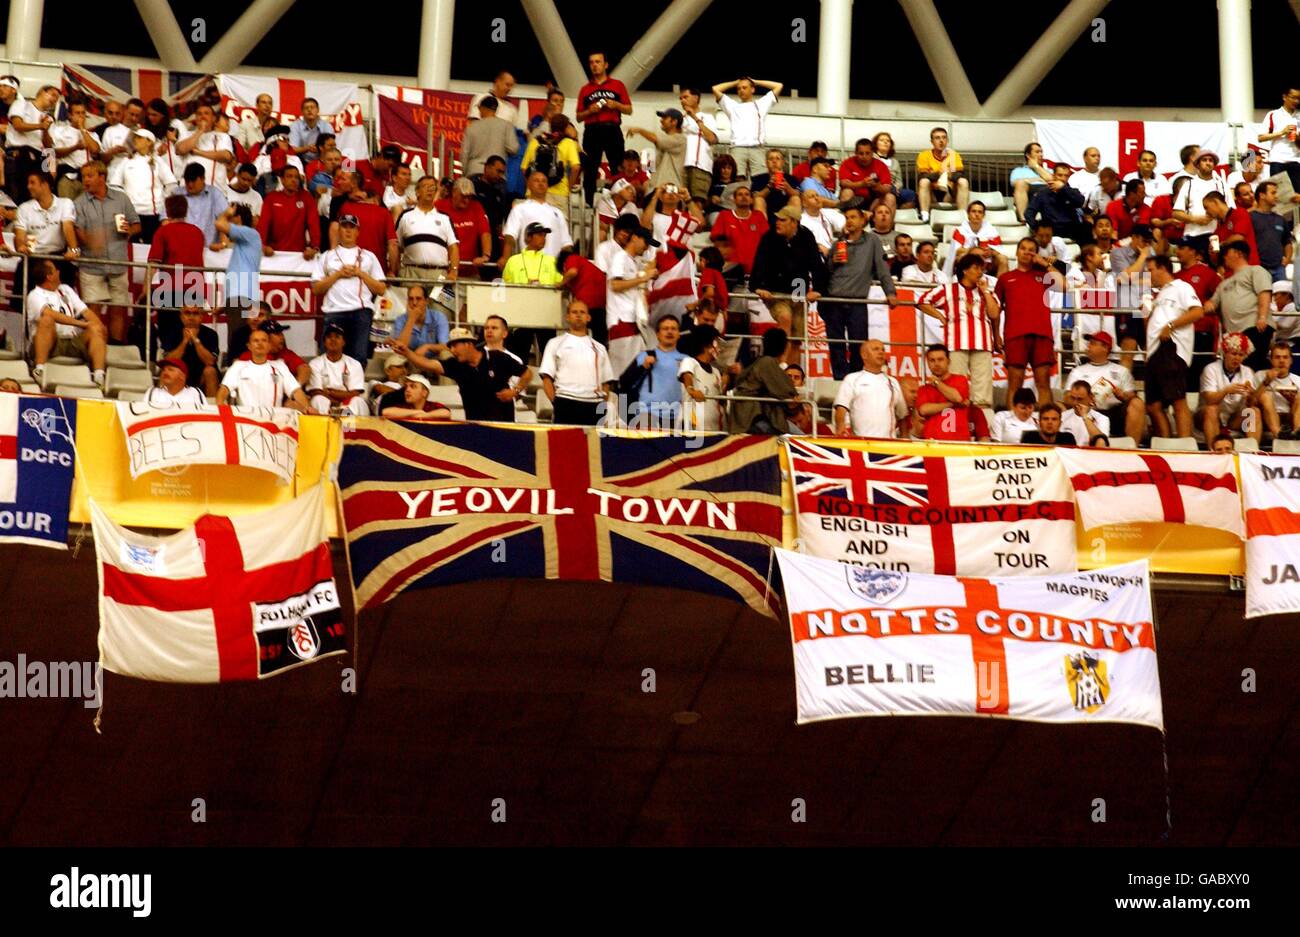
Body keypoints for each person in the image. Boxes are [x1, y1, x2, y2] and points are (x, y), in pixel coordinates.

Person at [919, 253, 1000, 410]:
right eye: (976, 268)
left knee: (982, 390)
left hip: (982, 343)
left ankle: (982, 421)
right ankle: (959, 418)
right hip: (956, 343)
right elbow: (923, 301)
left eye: (981, 269)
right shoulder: (948, 289)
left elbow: (995, 314)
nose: (980, 272)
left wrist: (986, 293)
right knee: (957, 386)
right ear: (964, 270)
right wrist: (941, 317)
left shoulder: (986, 292)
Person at [825, 198, 895, 378]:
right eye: (847, 217)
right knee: (836, 344)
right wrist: (833, 260)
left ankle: (855, 378)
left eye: (853, 217)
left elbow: (881, 269)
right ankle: (839, 380)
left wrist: (890, 292)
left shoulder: (872, 241)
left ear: (863, 220)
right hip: (834, 301)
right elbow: (826, 272)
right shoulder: (838, 242)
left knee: (859, 344)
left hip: (857, 301)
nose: (849, 221)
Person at [73, 160, 140, 344]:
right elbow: (77, 230)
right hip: (91, 266)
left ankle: (115, 350)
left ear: (102, 177)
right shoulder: (79, 203)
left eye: (89, 176)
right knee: (92, 311)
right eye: (83, 176)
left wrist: (129, 231)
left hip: (118, 264)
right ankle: (94, 349)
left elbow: (136, 224)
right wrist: (89, 240)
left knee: (117, 310)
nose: (85, 180)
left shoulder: (121, 198)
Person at [749, 203, 829, 346]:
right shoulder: (769, 237)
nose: (777, 223)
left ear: (794, 222)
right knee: (785, 318)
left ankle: (792, 368)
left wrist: (818, 289)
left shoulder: (807, 236)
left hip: (799, 286)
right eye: (777, 219)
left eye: (782, 220)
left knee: (798, 335)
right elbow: (759, 262)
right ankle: (782, 365)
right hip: (774, 288)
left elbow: (816, 264)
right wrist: (757, 286)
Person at [311, 213, 387, 363]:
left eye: (352, 227)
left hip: (360, 311)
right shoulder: (327, 256)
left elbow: (381, 289)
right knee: (329, 355)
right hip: (334, 311)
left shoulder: (368, 256)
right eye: (344, 227)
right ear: (338, 230)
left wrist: (360, 274)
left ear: (358, 232)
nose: (348, 231)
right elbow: (316, 289)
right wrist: (338, 274)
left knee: (358, 357)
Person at [1145, 254, 1203, 439]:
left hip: (1171, 348)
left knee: (1178, 399)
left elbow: (1198, 311)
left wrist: (1170, 326)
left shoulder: (1182, 287)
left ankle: (1185, 444)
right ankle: (1166, 444)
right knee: (1153, 405)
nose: (1149, 274)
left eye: (1151, 270)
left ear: (1163, 268)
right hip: (1153, 351)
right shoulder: (1159, 294)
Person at [26, 259, 107, 385]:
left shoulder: (65, 289)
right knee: (47, 320)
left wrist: (98, 326)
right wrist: (82, 324)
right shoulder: (34, 295)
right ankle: (40, 370)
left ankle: (99, 377)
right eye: (55, 270)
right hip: (50, 343)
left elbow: (85, 311)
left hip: (72, 341)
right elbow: (50, 314)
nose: (59, 271)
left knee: (95, 329)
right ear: (49, 276)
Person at [996, 237, 1056, 405]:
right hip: (1015, 335)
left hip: (1042, 334)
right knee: (1014, 383)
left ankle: (1046, 424)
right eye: (1023, 248)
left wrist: (1045, 263)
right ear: (1016, 251)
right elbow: (995, 310)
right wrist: (996, 335)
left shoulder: (1043, 275)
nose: (1026, 252)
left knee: (1043, 382)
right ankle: (1010, 425)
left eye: (1031, 249)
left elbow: (1065, 285)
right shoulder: (1005, 278)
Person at [540, 300, 615, 425]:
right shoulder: (555, 343)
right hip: (566, 401)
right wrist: (557, 403)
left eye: (582, 312)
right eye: (574, 312)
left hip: (594, 404)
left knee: (592, 444)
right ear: (568, 317)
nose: (578, 315)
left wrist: (602, 403)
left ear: (588, 317)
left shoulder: (600, 348)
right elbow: (547, 378)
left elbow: (606, 382)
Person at [1203, 241, 1274, 371]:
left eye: (1227, 253)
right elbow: (1213, 303)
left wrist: (1262, 316)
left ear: (1238, 253)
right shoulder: (1223, 284)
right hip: (1234, 334)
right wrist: (1207, 304)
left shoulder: (1256, 270)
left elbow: (1264, 292)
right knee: (1240, 369)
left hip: (1254, 327)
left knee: (1253, 365)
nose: (1224, 257)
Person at [1065, 331, 1146, 441]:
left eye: (1093, 343)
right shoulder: (1077, 371)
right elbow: (1066, 397)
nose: (1088, 346)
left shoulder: (1121, 371)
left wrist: (1122, 396)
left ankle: (1132, 448)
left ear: (1105, 347)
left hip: (1114, 413)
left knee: (1137, 403)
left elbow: (1131, 395)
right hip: (1085, 411)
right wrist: (1082, 398)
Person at [577, 51, 632, 205]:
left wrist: (616, 105)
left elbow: (629, 109)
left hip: (612, 128)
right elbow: (578, 117)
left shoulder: (617, 85)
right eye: (591, 62)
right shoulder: (585, 89)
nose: (594, 65)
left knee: (617, 166)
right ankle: (589, 204)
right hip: (592, 130)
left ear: (605, 64)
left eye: (598, 62)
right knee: (590, 168)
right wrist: (589, 111)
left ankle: (620, 203)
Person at [605, 224, 659, 375]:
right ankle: (621, 400)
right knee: (622, 374)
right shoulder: (620, 257)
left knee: (636, 373)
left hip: (634, 322)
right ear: (634, 238)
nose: (647, 248)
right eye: (646, 242)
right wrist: (643, 278)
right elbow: (615, 285)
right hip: (621, 321)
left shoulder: (633, 262)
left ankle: (628, 400)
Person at [105, 129, 174, 242]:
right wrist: (125, 204)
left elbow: (171, 184)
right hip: (131, 215)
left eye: (139, 138)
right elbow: (114, 185)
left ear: (149, 142)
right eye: (135, 137)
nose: (135, 140)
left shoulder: (157, 161)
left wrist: (162, 205)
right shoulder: (126, 161)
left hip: (153, 215)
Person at [217, 327, 310, 411]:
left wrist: (308, 408)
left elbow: (296, 391)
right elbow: (224, 390)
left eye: (264, 340)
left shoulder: (280, 366)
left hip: (273, 419)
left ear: (269, 346)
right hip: (246, 419)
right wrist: (222, 410)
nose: (260, 343)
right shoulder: (238, 366)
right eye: (256, 341)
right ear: (249, 346)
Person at [1197, 332, 1264, 444]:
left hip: (1234, 420)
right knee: (1211, 409)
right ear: (1225, 353)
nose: (1237, 358)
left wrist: (1251, 395)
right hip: (1206, 416)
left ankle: (1252, 451)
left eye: (1241, 355)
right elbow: (1209, 400)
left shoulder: (1247, 372)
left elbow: (1252, 403)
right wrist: (1226, 391)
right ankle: (1214, 451)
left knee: (1253, 412)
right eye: (1233, 354)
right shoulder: (1211, 369)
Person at [727, 328, 798, 434]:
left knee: (799, 435)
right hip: (752, 419)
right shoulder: (767, 363)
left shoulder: (760, 362)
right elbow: (786, 391)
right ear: (784, 347)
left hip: (751, 416)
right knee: (800, 438)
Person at [711, 76, 783, 180]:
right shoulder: (732, 106)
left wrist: (756, 82)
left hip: (757, 147)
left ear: (752, 89)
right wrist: (735, 82)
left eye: (744, 87)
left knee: (760, 179)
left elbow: (778, 86)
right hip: (738, 147)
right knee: (737, 179)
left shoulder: (761, 104)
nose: (741, 90)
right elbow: (715, 89)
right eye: (739, 88)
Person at [833, 338, 907, 438]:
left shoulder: (893, 382)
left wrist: (904, 438)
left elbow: (902, 415)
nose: (880, 352)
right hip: (862, 443)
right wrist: (841, 428)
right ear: (864, 355)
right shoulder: (852, 379)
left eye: (883, 350)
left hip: (889, 444)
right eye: (876, 349)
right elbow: (841, 408)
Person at [916, 343, 989, 441]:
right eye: (932, 360)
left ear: (948, 361)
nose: (936, 364)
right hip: (932, 442)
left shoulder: (960, 380)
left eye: (940, 359)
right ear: (927, 363)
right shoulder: (923, 389)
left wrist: (937, 382)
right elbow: (924, 410)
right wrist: (952, 404)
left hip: (959, 442)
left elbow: (957, 398)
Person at [624, 316, 687, 429]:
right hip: (647, 414)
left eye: (673, 329)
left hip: (677, 416)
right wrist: (643, 366)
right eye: (665, 328)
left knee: (673, 447)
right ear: (657, 334)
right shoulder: (644, 356)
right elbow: (625, 382)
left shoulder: (686, 360)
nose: (669, 331)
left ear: (678, 334)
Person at [502, 169, 573, 262]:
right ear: (528, 185)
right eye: (536, 180)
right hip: (529, 265)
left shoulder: (558, 213)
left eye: (544, 181)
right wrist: (505, 257)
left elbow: (566, 244)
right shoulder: (519, 209)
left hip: (554, 269)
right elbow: (510, 236)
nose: (540, 183)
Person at [44, 95, 100, 201]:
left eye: (83, 113)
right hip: (67, 178)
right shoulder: (59, 131)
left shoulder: (91, 134)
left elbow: (95, 150)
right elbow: (53, 153)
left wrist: (82, 129)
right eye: (77, 113)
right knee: (67, 210)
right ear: (70, 115)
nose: (81, 116)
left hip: (86, 178)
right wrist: (75, 148)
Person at [156, 305, 220, 397]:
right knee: (167, 370)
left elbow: (210, 361)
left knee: (210, 371)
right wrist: (185, 341)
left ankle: (213, 409)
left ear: (201, 317)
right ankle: (161, 404)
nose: (191, 317)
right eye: (187, 313)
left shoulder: (211, 334)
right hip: (179, 376)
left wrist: (195, 340)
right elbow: (169, 360)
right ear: (181, 316)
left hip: (202, 378)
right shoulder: (172, 333)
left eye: (195, 313)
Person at [305, 323, 369, 415]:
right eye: (329, 337)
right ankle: (325, 428)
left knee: (357, 401)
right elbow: (316, 392)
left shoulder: (354, 364)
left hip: (348, 404)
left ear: (343, 342)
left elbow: (354, 393)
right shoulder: (315, 363)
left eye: (337, 336)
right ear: (324, 342)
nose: (333, 339)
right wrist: (337, 402)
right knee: (318, 400)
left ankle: (348, 429)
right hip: (326, 403)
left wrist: (330, 392)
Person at [213, 204, 263, 323]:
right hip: (243, 299)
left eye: (230, 219)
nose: (228, 222)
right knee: (241, 337)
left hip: (241, 299)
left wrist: (225, 214)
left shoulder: (250, 233)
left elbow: (219, 224)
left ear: (238, 218)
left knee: (236, 339)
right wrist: (225, 306)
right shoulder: (246, 242)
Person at [256, 164, 318, 258]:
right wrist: (262, 245)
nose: (294, 180)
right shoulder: (271, 198)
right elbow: (263, 224)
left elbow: (313, 224)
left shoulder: (307, 198)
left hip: (299, 255)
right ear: (282, 179)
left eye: (296, 177)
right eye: (289, 176)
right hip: (273, 253)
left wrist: (315, 247)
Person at [435, 177, 491, 276]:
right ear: (454, 192)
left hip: (470, 270)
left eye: (469, 197)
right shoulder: (439, 206)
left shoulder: (476, 207)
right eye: (463, 196)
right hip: (444, 270)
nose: (467, 200)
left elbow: (485, 233)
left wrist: (485, 255)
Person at [709, 183, 767, 274]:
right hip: (732, 269)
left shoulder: (758, 216)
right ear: (734, 200)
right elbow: (717, 241)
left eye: (747, 194)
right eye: (740, 194)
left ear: (752, 200)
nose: (744, 197)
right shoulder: (724, 215)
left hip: (756, 269)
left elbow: (767, 240)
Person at [915, 127, 968, 222]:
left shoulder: (953, 155)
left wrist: (949, 174)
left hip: (949, 192)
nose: (941, 141)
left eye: (944, 138)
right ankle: (925, 216)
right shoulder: (924, 155)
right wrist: (941, 172)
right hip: (932, 192)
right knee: (923, 182)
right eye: (937, 138)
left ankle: (962, 217)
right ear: (932, 141)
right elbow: (923, 175)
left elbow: (960, 174)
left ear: (947, 140)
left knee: (963, 182)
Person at [1172, 150, 1227, 239]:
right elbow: (1176, 213)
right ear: (1197, 164)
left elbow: (1230, 211)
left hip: (1216, 235)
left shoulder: (1222, 185)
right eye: (1204, 160)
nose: (1208, 163)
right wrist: (1195, 219)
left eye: (1210, 160)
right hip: (1193, 235)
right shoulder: (1189, 184)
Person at [677, 325, 724, 431]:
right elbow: (686, 375)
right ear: (706, 346)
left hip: (714, 428)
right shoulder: (689, 362)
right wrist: (692, 390)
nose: (720, 348)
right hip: (693, 429)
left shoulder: (716, 372)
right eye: (717, 343)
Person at [461, 96, 520, 178]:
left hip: (475, 171)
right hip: (497, 174)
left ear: (483, 108)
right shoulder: (506, 126)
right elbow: (513, 149)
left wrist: (464, 173)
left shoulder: (471, 127)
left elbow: (464, 154)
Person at [1026, 163, 1086, 242]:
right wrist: (1037, 228)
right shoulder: (1042, 193)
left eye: (1066, 176)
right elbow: (1029, 213)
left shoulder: (1073, 192)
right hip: (1051, 231)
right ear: (1054, 176)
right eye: (1060, 175)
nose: (1063, 179)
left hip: (1070, 230)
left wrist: (1063, 188)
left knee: (1086, 227)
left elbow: (1080, 202)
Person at [678, 88, 719, 201]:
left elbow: (712, 139)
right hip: (680, 167)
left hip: (700, 166)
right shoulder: (680, 120)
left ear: (696, 98)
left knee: (697, 202)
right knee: (680, 202)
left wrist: (694, 117)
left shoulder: (707, 117)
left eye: (685, 97)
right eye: (680, 98)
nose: (682, 101)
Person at [947, 200, 1005, 277]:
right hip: (967, 260)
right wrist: (974, 251)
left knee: (1003, 259)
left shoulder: (991, 230)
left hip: (988, 262)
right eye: (973, 211)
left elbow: (998, 250)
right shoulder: (960, 230)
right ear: (968, 214)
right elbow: (956, 250)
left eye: (980, 212)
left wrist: (991, 252)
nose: (977, 214)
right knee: (960, 257)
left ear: (983, 215)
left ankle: (1000, 287)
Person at [1254, 341, 1300, 438]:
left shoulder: (1297, 380)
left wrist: (1292, 401)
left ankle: (1297, 433)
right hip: (1265, 417)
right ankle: (1279, 434)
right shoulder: (1260, 375)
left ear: (1291, 360)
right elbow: (1251, 402)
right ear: (1271, 360)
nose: (1282, 361)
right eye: (1277, 357)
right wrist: (1266, 382)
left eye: (1285, 357)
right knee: (1265, 396)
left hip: (1290, 417)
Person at [1250, 181, 1294, 282]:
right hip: (1259, 269)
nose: (1276, 196)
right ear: (1262, 195)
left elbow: (1287, 242)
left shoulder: (1281, 219)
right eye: (1273, 193)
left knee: (1283, 297)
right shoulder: (1250, 218)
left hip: (1279, 268)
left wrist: (1287, 258)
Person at [1259, 86, 1300, 191]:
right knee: (1278, 195)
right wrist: (1282, 132)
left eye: (1298, 98)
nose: (1296, 101)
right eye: (1293, 97)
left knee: (1296, 195)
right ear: (1284, 97)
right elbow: (1261, 137)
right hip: (1277, 160)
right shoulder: (1273, 114)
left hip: (1296, 160)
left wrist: (1298, 137)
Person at [1203, 191, 1260, 265]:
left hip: (1249, 267)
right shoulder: (1218, 229)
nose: (1206, 212)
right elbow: (1216, 262)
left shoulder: (1239, 213)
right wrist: (1213, 253)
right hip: (1231, 273)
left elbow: (1239, 237)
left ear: (1215, 202)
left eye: (1206, 207)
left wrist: (1221, 244)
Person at [837, 137, 891, 206]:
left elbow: (887, 188)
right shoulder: (847, 163)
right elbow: (844, 183)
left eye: (867, 153)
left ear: (872, 153)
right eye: (861, 153)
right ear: (856, 153)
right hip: (854, 198)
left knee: (890, 197)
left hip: (874, 200)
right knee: (847, 192)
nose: (864, 156)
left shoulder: (881, 166)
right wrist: (861, 184)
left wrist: (878, 186)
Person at [381, 373, 452, 421]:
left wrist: (424, 415)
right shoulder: (403, 406)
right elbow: (386, 412)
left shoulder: (432, 406)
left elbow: (446, 413)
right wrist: (417, 412)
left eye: (413, 386)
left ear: (424, 393)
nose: (407, 390)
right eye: (406, 387)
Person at [1010, 142, 1053, 220]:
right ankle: (1025, 219)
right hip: (1030, 195)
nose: (1041, 155)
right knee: (1020, 183)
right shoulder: (1018, 171)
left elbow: (1051, 180)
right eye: (1037, 152)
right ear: (1028, 155)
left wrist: (1036, 167)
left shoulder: (1047, 170)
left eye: (1041, 152)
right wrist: (1038, 179)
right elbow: (1016, 183)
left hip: (1047, 195)